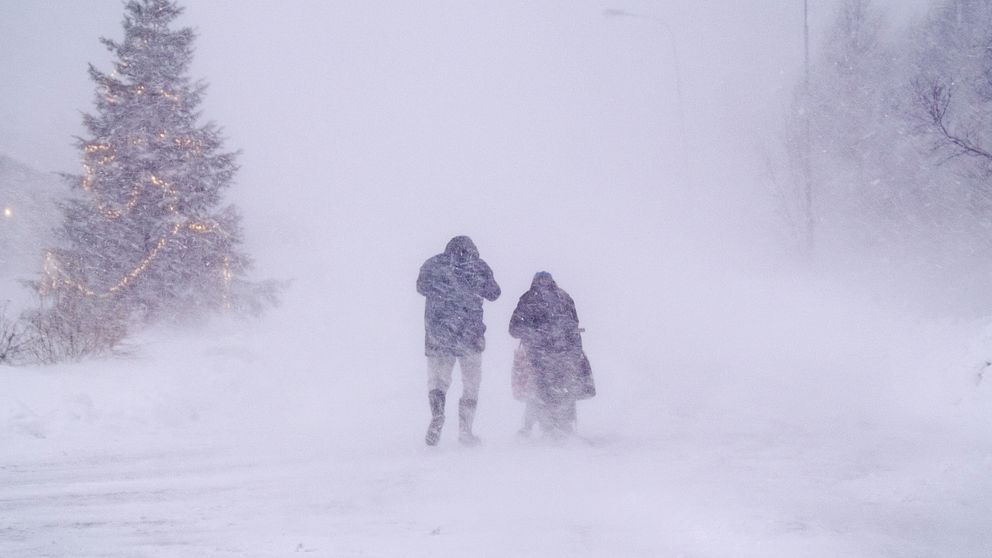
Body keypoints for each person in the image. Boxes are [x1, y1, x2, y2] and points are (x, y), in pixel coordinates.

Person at [417, 236, 501, 446]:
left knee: (438, 381)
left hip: (439, 334)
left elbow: (421, 287)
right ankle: (465, 431)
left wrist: (445, 290)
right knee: (471, 384)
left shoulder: (433, 264)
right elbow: (494, 293)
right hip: (469, 334)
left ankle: (437, 415)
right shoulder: (478, 266)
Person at [509, 271, 595, 438]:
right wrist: (576, 352)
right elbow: (574, 327)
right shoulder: (564, 298)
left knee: (539, 389)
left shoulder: (527, 299)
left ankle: (535, 426)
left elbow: (513, 330)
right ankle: (564, 425)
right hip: (563, 353)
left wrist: (532, 334)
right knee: (564, 388)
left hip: (537, 355)